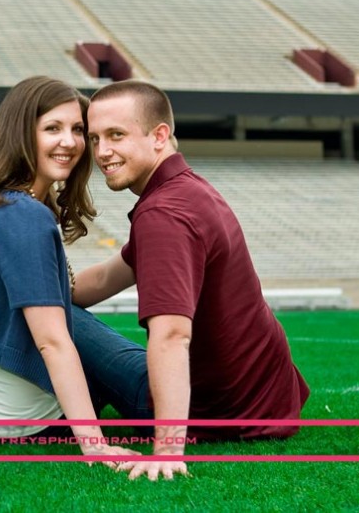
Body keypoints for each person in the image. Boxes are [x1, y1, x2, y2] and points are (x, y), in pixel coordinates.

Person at [73, 79, 310, 481]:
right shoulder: (189, 189)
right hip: (268, 398)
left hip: (213, 409)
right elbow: (104, 279)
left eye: (116, 135)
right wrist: (38, 278)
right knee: (52, 301)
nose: (101, 153)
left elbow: (171, 337)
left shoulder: (164, 214)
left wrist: (167, 450)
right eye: (95, 138)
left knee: (58, 317)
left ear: (159, 136)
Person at [0, 76, 138, 468]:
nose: (70, 142)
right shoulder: (24, 216)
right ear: (21, 134)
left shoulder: (0, 201)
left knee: (75, 322)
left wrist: (142, 255)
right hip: (2, 412)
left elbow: (70, 293)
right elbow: (52, 342)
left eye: (78, 130)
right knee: (130, 382)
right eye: (52, 129)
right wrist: (95, 445)